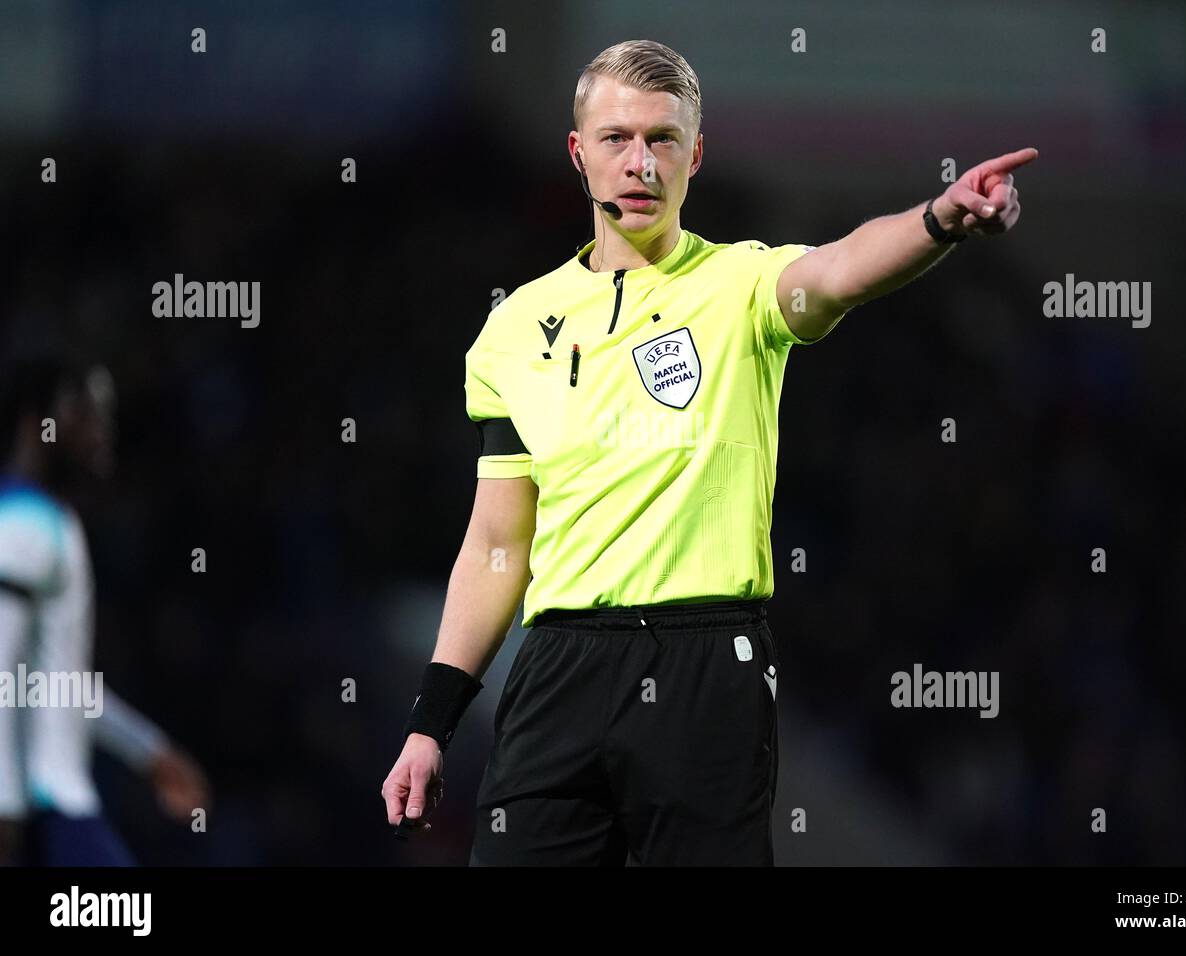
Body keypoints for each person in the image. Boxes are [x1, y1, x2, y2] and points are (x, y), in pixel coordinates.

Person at [381, 39, 1034, 865]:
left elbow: (841, 270)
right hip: (556, 671)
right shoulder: (512, 333)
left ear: (696, 154)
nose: (640, 162)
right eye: (617, 138)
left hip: (705, 666)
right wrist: (430, 722)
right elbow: (498, 544)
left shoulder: (742, 288)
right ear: (579, 155)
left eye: (662, 139)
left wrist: (940, 219)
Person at [0, 356, 210, 865]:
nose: (103, 432)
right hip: (43, 813)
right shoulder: (26, 528)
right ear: (39, 421)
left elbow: (51, 681)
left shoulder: (48, 519)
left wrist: (145, 748)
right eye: (88, 413)